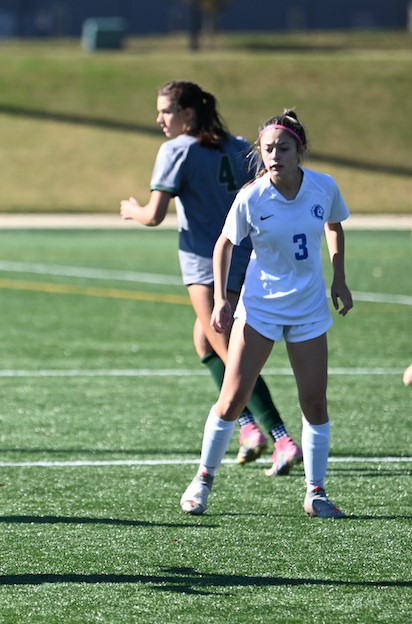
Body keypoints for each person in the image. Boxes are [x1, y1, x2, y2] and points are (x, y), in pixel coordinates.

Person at [120, 80, 301, 475]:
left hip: (205, 266)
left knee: (231, 354)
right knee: (204, 338)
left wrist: (130, 209)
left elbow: (153, 215)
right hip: (244, 259)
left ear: (187, 113)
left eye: (165, 111)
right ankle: (249, 428)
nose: (159, 119)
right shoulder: (236, 145)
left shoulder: (176, 150)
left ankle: (281, 437)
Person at [179, 110, 353, 518]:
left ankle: (316, 492)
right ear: (260, 152)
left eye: (284, 148)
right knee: (233, 398)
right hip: (260, 308)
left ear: (301, 151)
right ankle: (202, 479)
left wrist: (339, 278)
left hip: (308, 307)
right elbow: (224, 245)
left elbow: (335, 226)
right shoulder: (252, 196)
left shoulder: (323, 187)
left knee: (314, 402)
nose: (275, 155)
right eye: (268, 149)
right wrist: (222, 298)